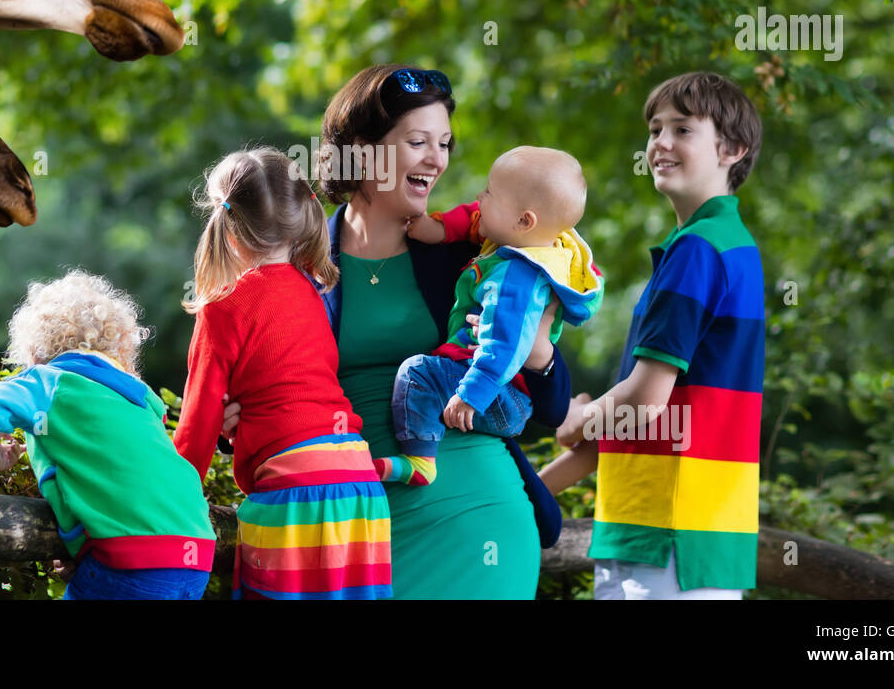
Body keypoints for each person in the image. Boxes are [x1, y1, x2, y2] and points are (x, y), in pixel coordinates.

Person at [219, 65, 567, 598]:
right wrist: (235, 418)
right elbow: (262, 392)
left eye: (444, 143)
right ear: (362, 151)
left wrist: (538, 352)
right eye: (418, 141)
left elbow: (551, 408)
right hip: (347, 530)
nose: (438, 159)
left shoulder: (473, 256)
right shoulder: (295, 268)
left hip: (477, 520)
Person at [543, 71, 765, 599]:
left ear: (732, 149)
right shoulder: (732, 245)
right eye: (655, 129)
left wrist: (575, 417)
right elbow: (649, 417)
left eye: (683, 129)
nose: (660, 143)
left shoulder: (697, 251)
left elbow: (643, 401)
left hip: (662, 534)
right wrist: (532, 489)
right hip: (702, 536)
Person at [172, 147, 392, 600]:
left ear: (227, 230)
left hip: (295, 495)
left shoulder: (222, 309)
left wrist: (164, 500)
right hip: (360, 488)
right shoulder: (311, 294)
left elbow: (195, 430)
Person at [0, 270, 216, 600]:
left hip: (134, 559)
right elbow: (126, 485)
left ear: (33, 352)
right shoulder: (140, 400)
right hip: (195, 553)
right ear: (121, 350)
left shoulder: (52, 382)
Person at [374, 146, 603, 487]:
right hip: (501, 391)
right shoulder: (525, 243)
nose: (480, 195)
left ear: (524, 221)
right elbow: (473, 217)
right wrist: (437, 228)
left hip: (497, 393)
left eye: (490, 192)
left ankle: (420, 459)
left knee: (417, 372)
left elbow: (505, 344)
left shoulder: (517, 276)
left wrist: (472, 395)